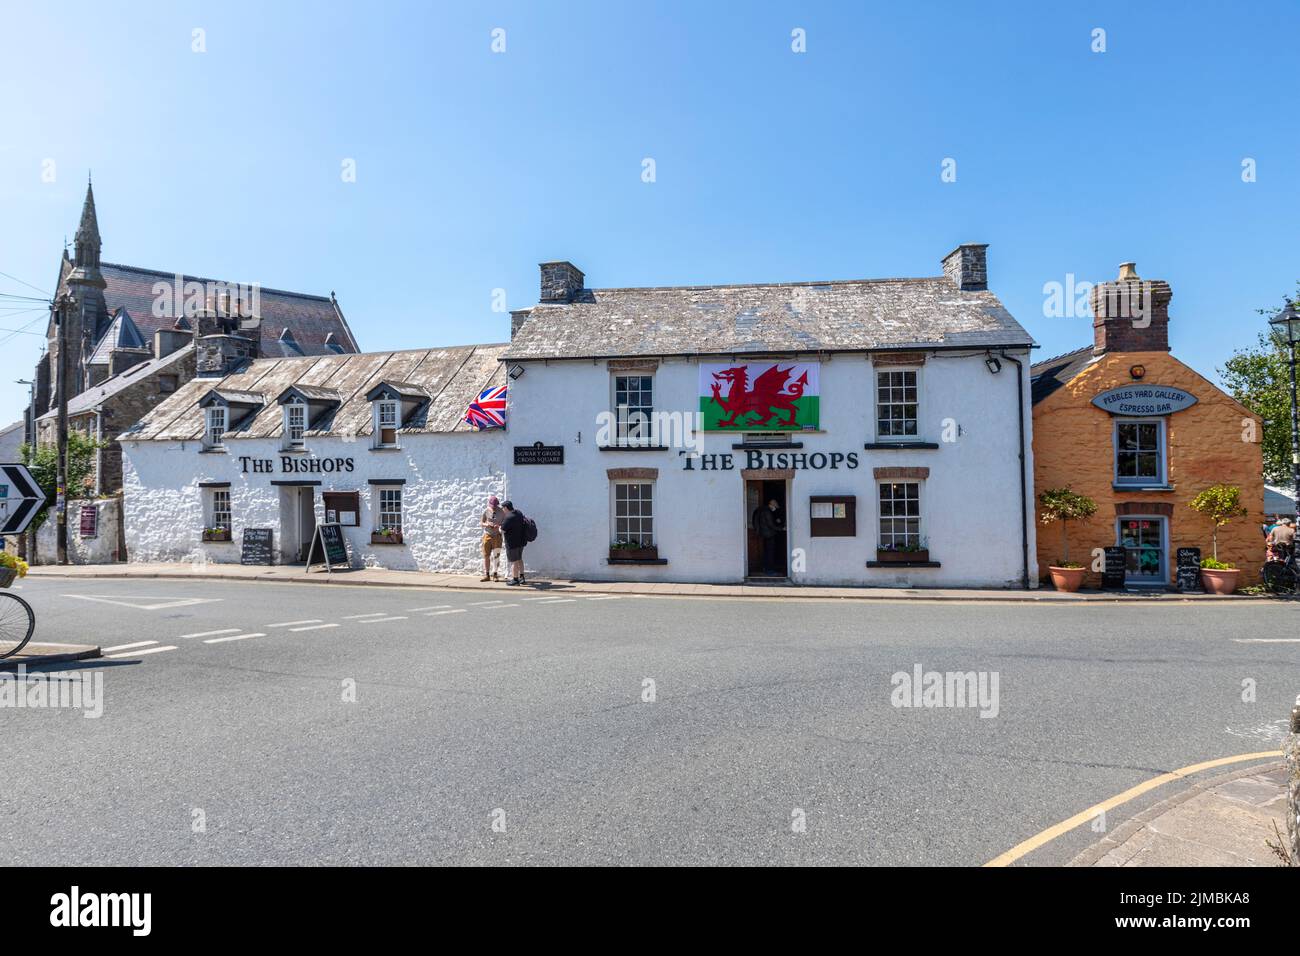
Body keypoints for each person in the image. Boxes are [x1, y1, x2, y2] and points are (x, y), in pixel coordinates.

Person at [752, 498, 785, 575]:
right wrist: (781, 528)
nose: (775, 509)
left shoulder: (763, 510)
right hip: (769, 534)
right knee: (770, 552)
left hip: (764, 533)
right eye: (775, 507)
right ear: (772, 505)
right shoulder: (767, 512)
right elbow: (770, 525)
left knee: (767, 552)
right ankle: (769, 570)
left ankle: (765, 568)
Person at [499, 500, 529, 586]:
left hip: (512, 543)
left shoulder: (509, 517)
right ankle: (522, 578)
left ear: (506, 508)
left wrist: (499, 528)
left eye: (503, 508)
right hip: (521, 541)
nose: (502, 510)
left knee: (514, 561)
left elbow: (502, 530)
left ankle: (515, 579)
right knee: (519, 559)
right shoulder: (519, 513)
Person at [480, 495, 505, 582]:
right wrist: (487, 524)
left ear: (497, 504)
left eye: (495, 506)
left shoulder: (501, 512)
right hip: (487, 535)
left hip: (497, 536)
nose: (493, 507)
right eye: (492, 506)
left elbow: (505, 523)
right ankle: (487, 575)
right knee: (486, 556)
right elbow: (481, 523)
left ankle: (495, 574)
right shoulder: (486, 511)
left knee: (496, 556)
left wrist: (499, 525)